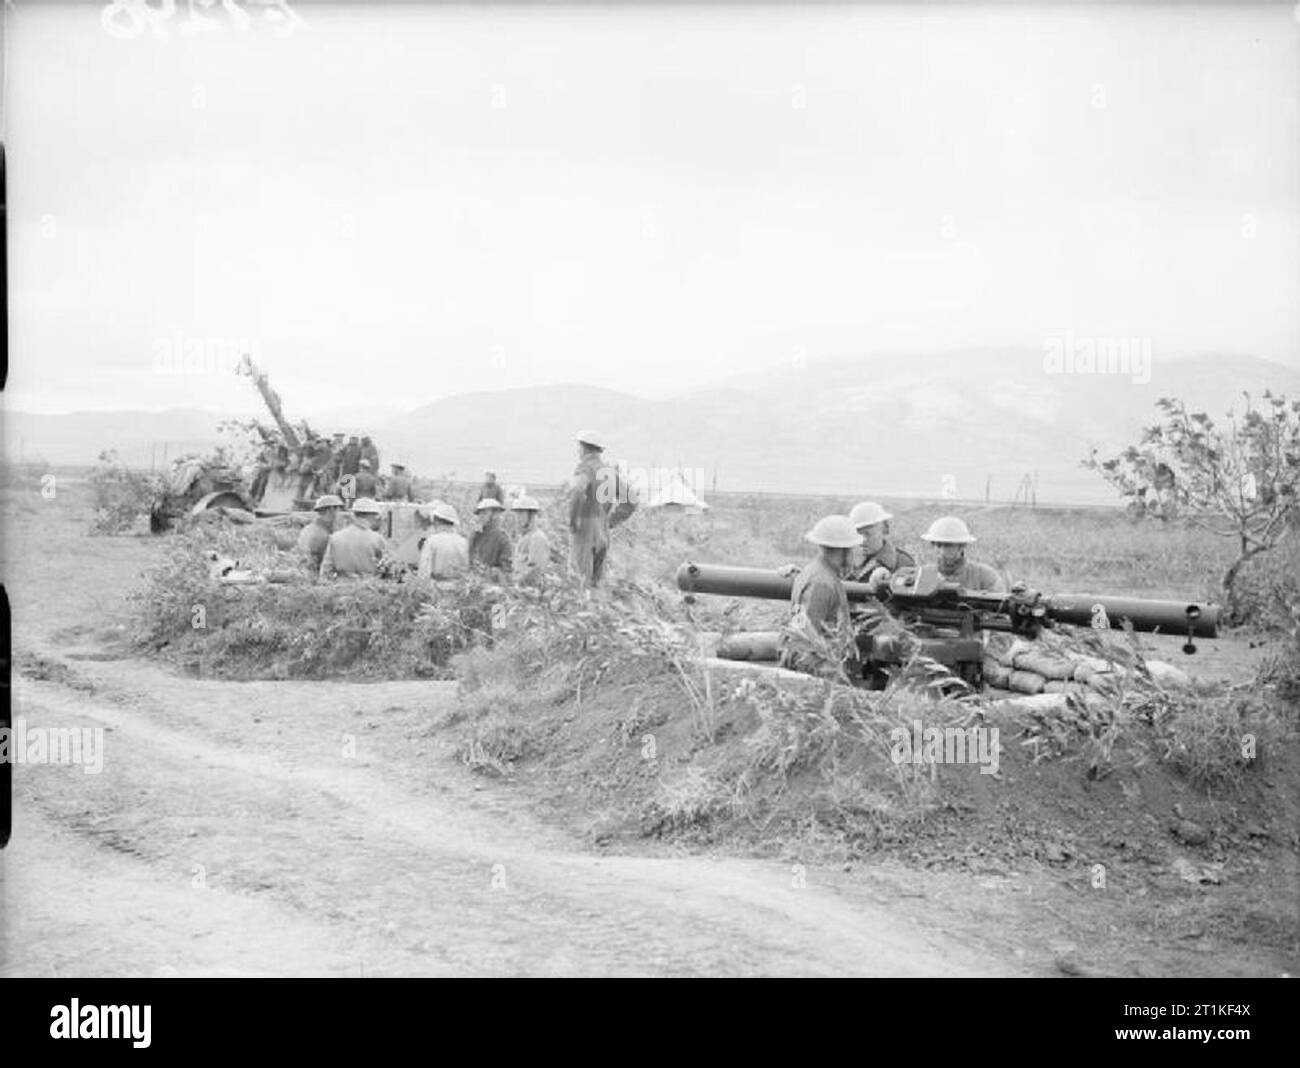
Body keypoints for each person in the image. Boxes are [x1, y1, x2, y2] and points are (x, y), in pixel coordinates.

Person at [778, 515, 862, 677]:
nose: (853, 556)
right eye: (851, 550)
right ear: (843, 550)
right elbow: (806, 637)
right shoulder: (822, 583)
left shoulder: (815, 573)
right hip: (816, 670)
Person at [568, 429, 635, 587]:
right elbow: (631, 500)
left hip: (584, 527)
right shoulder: (609, 472)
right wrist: (610, 521)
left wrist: (573, 521)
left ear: (584, 448)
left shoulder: (585, 468)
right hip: (602, 529)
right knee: (596, 584)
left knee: (578, 582)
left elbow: (578, 491)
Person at [919, 516, 1006, 592]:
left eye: (947, 545)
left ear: (962, 546)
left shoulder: (985, 576)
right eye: (937, 545)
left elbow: (1000, 606)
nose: (941, 551)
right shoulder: (923, 574)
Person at [846, 501, 916, 584]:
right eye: (858, 535)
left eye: (867, 534)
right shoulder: (848, 560)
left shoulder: (902, 562)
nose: (862, 540)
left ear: (885, 529)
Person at [320, 498, 386, 579]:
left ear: (354, 514)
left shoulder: (335, 538)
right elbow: (387, 569)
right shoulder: (377, 539)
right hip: (370, 587)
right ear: (372, 516)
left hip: (341, 587)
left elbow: (326, 571)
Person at [417, 501, 470, 581]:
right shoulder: (463, 542)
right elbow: (467, 567)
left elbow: (424, 571)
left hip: (438, 587)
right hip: (459, 587)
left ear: (437, 520)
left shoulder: (432, 541)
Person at [296, 493, 343, 575]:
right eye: (339, 509)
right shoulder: (323, 535)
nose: (340, 514)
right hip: (314, 576)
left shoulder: (307, 529)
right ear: (331, 510)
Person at [469, 498, 512, 581]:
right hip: (476, 580)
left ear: (494, 515)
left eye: (484, 513)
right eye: (480, 514)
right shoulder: (477, 535)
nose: (480, 517)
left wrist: (489, 571)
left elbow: (507, 570)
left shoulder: (502, 538)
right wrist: (473, 535)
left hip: (493, 585)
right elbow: (470, 558)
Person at [511, 495, 550, 585]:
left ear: (531, 515)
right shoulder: (525, 537)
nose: (518, 517)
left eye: (521, 513)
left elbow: (535, 571)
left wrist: (515, 584)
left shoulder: (537, 538)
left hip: (530, 593)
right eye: (516, 514)